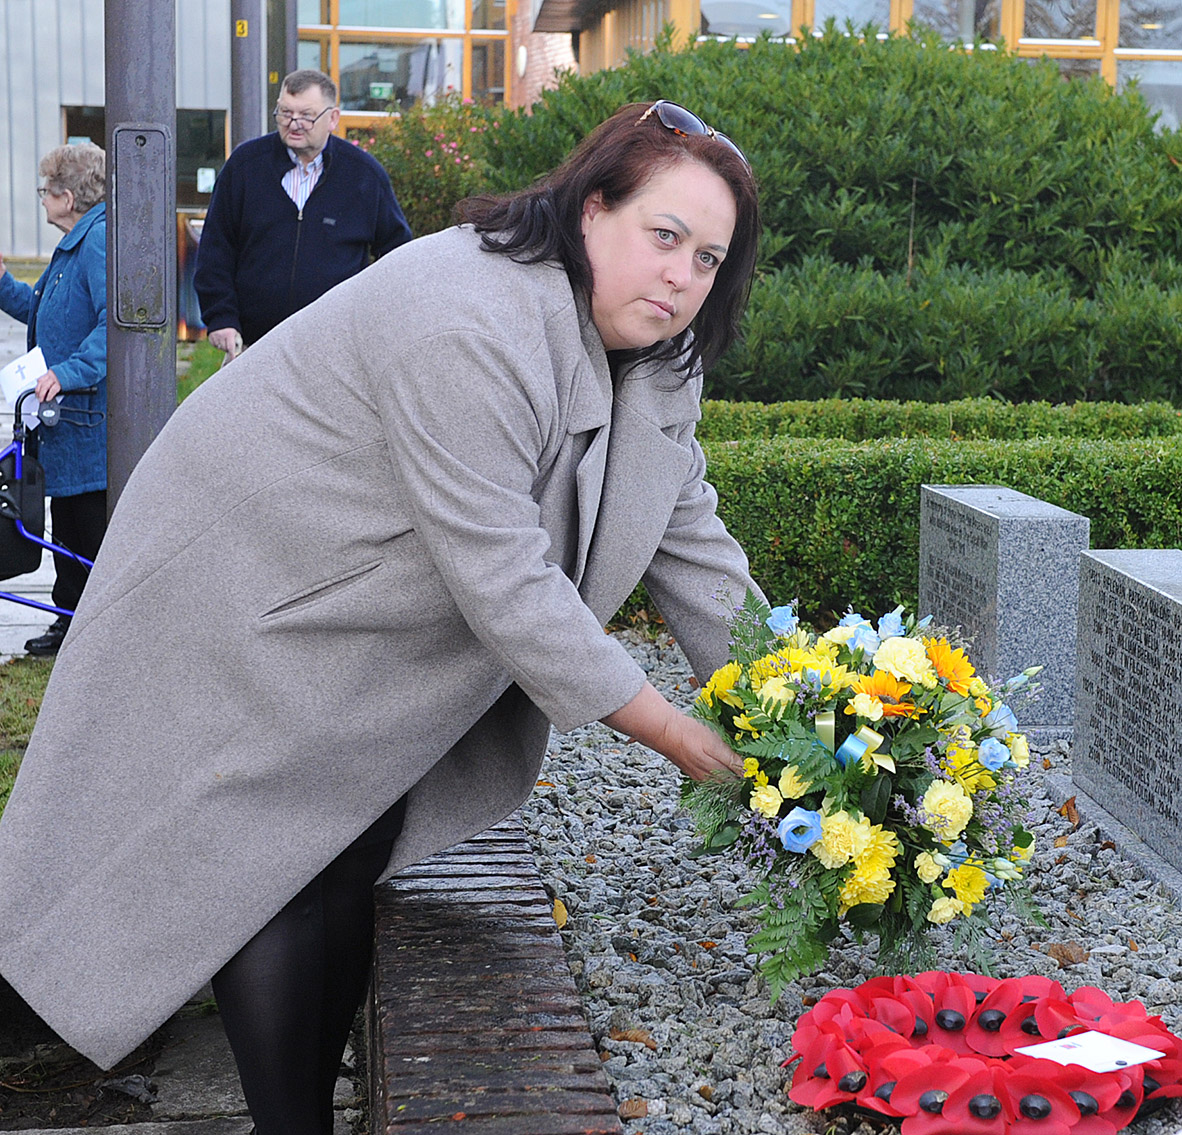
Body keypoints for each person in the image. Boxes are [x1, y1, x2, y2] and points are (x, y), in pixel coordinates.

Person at [0, 101, 761, 1134]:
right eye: (663, 236)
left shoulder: (660, 361)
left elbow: (694, 545)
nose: (682, 276)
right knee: (268, 851)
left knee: (336, 840)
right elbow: (509, 580)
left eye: (709, 257)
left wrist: (815, 700)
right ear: (590, 212)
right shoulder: (472, 313)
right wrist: (688, 740)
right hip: (245, 578)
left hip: (357, 600)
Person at [194, 68, 413, 359]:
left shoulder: (363, 176)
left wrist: (372, 321)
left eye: (306, 115)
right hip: (252, 346)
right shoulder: (245, 166)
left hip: (335, 350)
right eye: (285, 113)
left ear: (333, 118)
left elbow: (398, 255)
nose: (294, 124)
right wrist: (220, 316)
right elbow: (216, 247)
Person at [0, 142, 108, 655]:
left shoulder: (98, 243)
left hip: (86, 420)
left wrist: (70, 372)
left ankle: (86, 632)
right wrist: (2, 283)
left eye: (46, 191)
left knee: (85, 529)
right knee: (67, 525)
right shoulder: (76, 245)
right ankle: (71, 625)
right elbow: (43, 315)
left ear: (67, 196)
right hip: (66, 422)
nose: (42, 199)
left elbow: (118, 324)